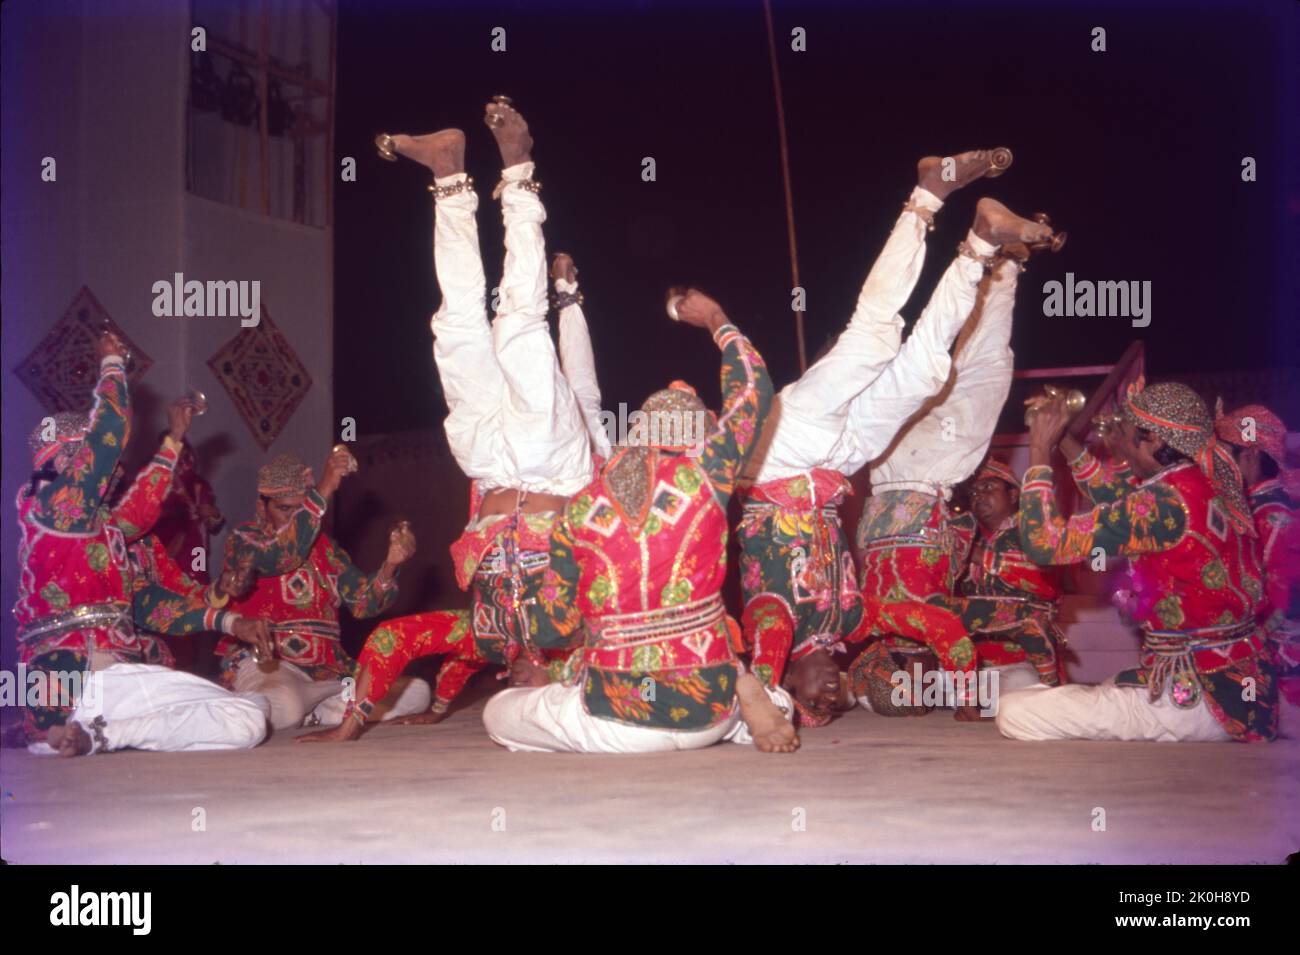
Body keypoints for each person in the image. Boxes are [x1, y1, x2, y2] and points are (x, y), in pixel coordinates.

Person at [298, 101, 600, 742]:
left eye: (514, 695)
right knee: (520, 325)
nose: (521, 685)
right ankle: (519, 172)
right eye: (538, 695)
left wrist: (350, 726)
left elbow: (391, 638)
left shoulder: (484, 640)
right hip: (553, 459)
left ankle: (449, 178)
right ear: (565, 683)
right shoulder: (583, 637)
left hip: (488, 462)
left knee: (457, 329)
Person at [739, 151, 1010, 725]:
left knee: (874, 337)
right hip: (840, 462)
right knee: (926, 372)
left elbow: (755, 692)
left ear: (788, 682)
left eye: (811, 699)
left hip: (782, 457)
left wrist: (770, 714)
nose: (828, 693)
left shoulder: (771, 625)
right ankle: (981, 249)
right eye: (830, 705)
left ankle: (926, 196)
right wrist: (965, 695)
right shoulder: (849, 623)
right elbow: (935, 623)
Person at [481, 288, 801, 754]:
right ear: (698, 437)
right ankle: (747, 696)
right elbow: (754, 390)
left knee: (501, 713)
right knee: (769, 697)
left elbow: (550, 627)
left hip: (617, 723)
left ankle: (603, 689)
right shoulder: (706, 475)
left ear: (638, 433)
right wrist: (716, 318)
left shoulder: (580, 510)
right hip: (708, 707)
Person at [843, 200, 1059, 721]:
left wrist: (965, 704)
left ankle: (1001, 259)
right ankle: (992, 254)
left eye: (916, 688)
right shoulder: (858, 618)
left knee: (983, 366)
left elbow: (955, 642)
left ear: (897, 665)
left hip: (927, 472)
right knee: (941, 360)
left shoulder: (911, 619)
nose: (925, 686)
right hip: (887, 463)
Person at [16, 331, 272, 755]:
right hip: (83, 673)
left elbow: (148, 595)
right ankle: (99, 733)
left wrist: (230, 622)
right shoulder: (54, 506)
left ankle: (86, 736)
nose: (113, 470)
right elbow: (109, 435)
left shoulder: (93, 527)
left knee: (247, 713)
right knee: (248, 715)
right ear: (66, 462)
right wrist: (112, 365)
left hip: (94, 684)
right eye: (93, 460)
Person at [996, 381, 1276, 742]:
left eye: (1127, 431)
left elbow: (1044, 544)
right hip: (1238, 689)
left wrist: (1038, 450)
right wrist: (1062, 437)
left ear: (1155, 440)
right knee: (1105, 688)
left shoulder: (1162, 504)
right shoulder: (1200, 482)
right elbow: (1110, 494)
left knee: (1015, 713)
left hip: (1199, 699)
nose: (1119, 441)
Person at [218, 451, 430, 731]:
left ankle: (313, 711)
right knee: (285, 701)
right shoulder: (246, 541)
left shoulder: (326, 549)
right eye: (284, 509)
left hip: (327, 675)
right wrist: (326, 487)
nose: (294, 518)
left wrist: (390, 565)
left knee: (417, 692)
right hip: (270, 665)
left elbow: (362, 603)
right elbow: (284, 555)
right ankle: (305, 708)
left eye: (300, 508)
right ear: (261, 506)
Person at [956, 456, 1067, 689]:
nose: (978, 497)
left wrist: (980, 556)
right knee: (915, 685)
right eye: (973, 493)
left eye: (987, 487)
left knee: (1022, 687)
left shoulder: (1035, 531)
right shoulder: (969, 536)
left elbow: (1047, 584)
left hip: (1022, 661)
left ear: (1013, 495)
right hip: (971, 661)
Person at [1215, 402, 1299, 711]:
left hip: (1279, 667)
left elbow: (1281, 600)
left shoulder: (1272, 516)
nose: (1219, 467)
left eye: (1226, 456)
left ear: (1250, 455)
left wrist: (1237, 646)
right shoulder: (1252, 509)